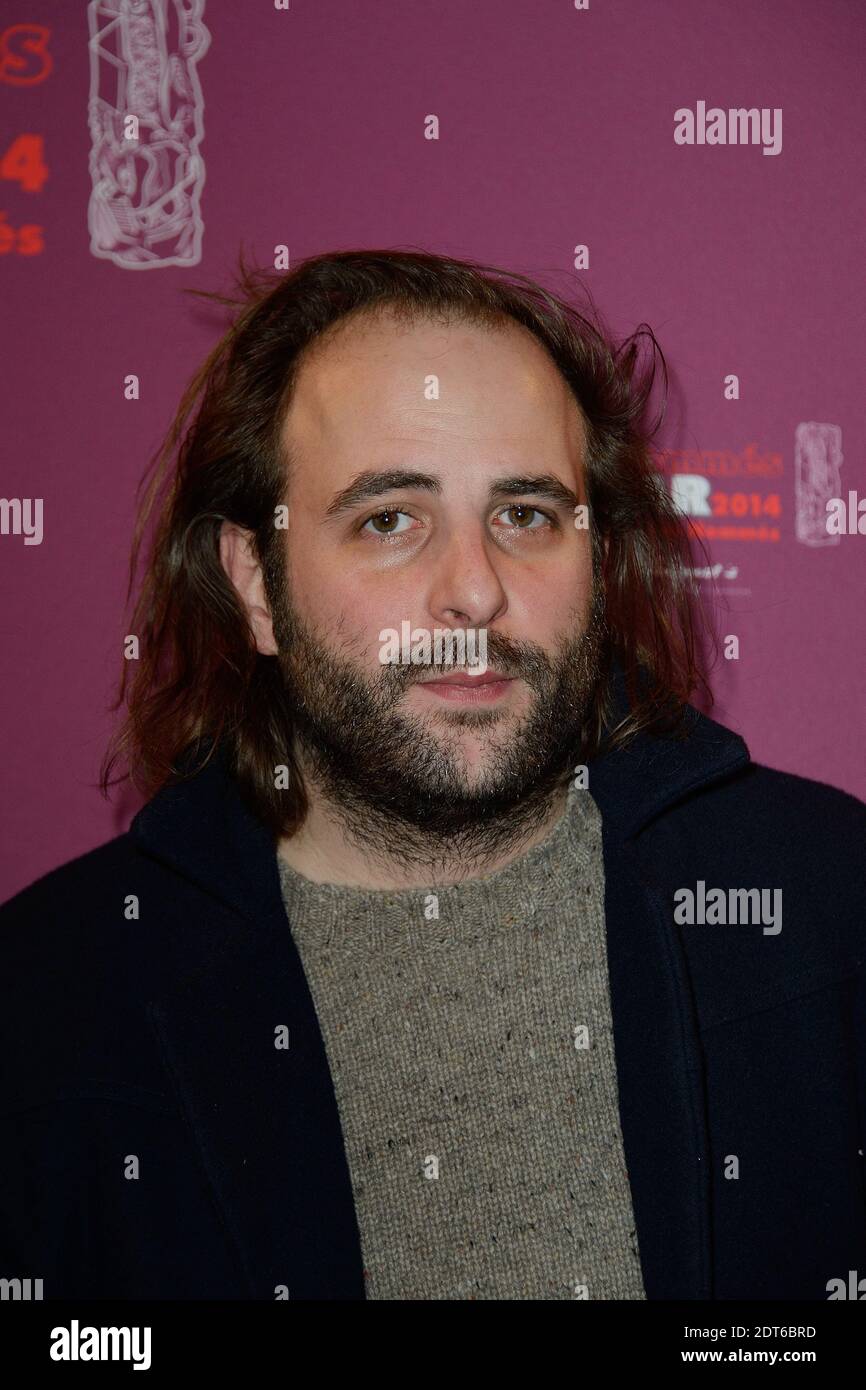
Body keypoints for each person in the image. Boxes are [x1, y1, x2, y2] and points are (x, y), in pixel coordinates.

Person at [1, 249, 864, 1301]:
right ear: (254, 586)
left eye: (526, 516)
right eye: (389, 519)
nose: (473, 591)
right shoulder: (54, 1004)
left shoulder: (821, 911)